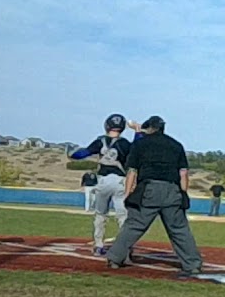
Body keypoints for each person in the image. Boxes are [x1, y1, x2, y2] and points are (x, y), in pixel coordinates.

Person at [105, 115, 203, 279]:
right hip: (172, 190)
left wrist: (128, 193)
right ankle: (193, 265)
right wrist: (183, 193)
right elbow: (183, 173)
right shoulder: (176, 145)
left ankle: (115, 258)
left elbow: (132, 172)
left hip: (149, 189)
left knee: (134, 225)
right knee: (179, 229)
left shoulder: (141, 144)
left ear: (149, 128)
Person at [69, 114, 133, 255]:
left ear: (107, 125)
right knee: (122, 216)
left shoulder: (101, 141)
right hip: (120, 181)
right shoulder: (125, 144)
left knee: (100, 215)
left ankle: (98, 245)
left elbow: (82, 153)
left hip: (103, 181)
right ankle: (125, 247)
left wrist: (71, 153)